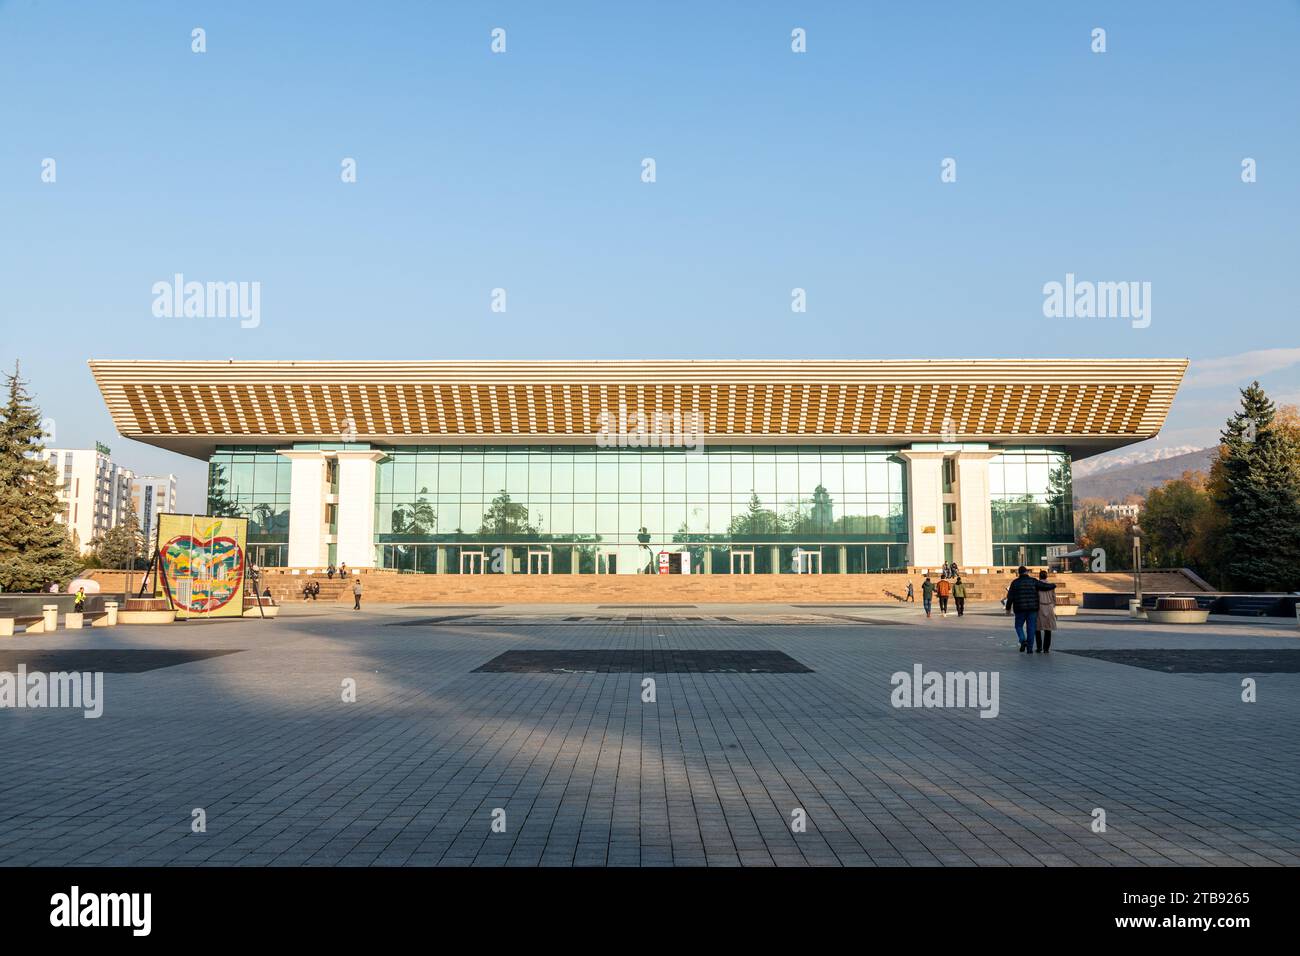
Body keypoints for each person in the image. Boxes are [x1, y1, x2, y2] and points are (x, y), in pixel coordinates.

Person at [1004, 566, 1056, 653]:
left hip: (1019, 609)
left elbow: (1010, 597)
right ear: (1027, 572)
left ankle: (1022, 640)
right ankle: (1029, 649)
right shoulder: (1033, 581)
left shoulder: (1015, 582)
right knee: (1031, 628)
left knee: (1018, 626)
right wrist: (1053, 585)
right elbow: (1044, 586)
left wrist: (1008, 608)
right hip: (1032, 609)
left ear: (1019, 573)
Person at [1035, 570, 1058, 653]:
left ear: (1039, 577)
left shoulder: (1037, 585)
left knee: (1037, 628)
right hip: (1049, 606)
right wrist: (1053, 606)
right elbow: (1054, 597)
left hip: (1040, 607)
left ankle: (1039, 647)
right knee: (1048, 629)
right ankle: (1046, 648)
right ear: (1046, 576)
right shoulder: (1051, 586)